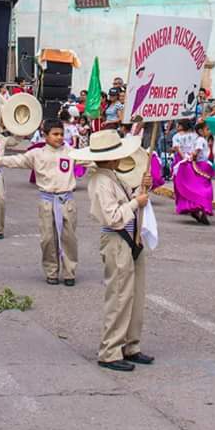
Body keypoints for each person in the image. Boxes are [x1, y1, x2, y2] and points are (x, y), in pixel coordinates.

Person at [74, 128, 153, 372]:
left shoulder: (112, 177)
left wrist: (141, 189)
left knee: (134, 294)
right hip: (117, 239)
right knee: (119, 295)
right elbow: (113, 217)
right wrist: (135, 202)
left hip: (131, 237)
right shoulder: (100, 181)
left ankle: (130, 344)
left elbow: (127, 201)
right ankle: (110, 350)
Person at [0, 122, 80, 285]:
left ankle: (70, 272)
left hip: (67, 201)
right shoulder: (37, 154)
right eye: (55, 134)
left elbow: (92, 160)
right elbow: (17, 160)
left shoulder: (71, 152)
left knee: (69, 238)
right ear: (45, 135)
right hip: (47, 201)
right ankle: (52, 271)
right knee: (47, 238)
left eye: (62, 134)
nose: (60, 137)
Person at [170, 117, 214, 224]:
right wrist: (189, 157)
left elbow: (178, 149)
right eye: (207, 129)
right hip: (195, 163)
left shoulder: (178, 137)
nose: (209, 131)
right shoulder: (198, 138)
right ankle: (198, 207)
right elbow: (196, 151)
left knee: (188, 185)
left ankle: (193, 206)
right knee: (201, 188)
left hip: (189, 162)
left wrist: (185, 158)